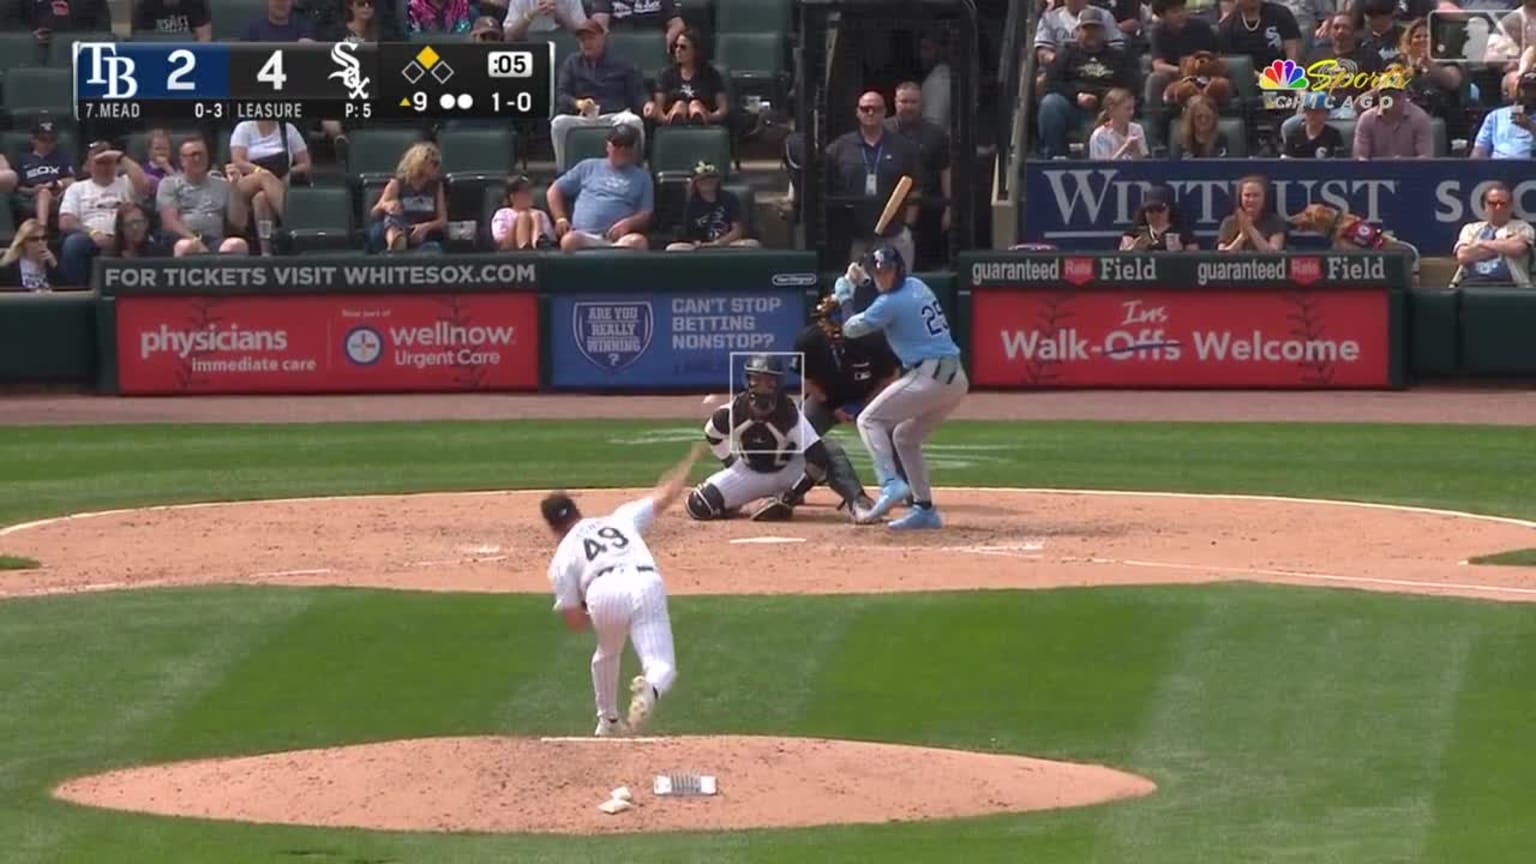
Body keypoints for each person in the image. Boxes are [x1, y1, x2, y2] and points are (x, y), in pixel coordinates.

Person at [542, 443, 705, 737]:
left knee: (606, 651)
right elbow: (665, 495)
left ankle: (608, 721)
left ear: (553, 528)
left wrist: (590, 606)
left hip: (601, 591)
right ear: (579, 513)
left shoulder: (563, 555)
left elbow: (575, 622)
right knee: (661, 665)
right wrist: (687, 464)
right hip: (644, 583)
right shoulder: (620, 518)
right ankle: (651, 688)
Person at [833, 244, 968, 531]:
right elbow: (886, 295)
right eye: (879, 272)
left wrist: (846, 293)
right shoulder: (916, 285)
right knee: (905, 438)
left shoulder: (890, 303)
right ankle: (924, 509)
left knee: (869, 420)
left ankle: (890, 483)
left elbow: (851, 328)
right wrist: (863, 281)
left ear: (899, 269)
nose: (884, 277)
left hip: (930, 376)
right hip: (954, 380)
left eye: (888, 271)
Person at [687, 354, 846, 522]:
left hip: (788, 471)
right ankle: (737, 504)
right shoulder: (731, 413)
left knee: (829, 452)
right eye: (757, 380)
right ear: (748, 381)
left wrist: (790, 497)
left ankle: (856, 500)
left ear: (777, 384)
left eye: (768, 381)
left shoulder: (790, 415)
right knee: (699, 505)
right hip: (750, 471)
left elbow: (818, 457)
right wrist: (730, 463)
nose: (762, 386)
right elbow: (712, 434)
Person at [788, 293, 904, 513]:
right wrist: (834, 408)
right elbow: (808, 382)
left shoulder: (874, 337)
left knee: (897, 430)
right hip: (828, 399)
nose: (835, 327)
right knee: (800, 428)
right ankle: (795, 487)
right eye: (830, 320)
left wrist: (866, 406)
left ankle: (905, 487)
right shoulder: (810, 340)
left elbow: (890, 377)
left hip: (869, 398)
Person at [825, 91, 921, 271]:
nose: (870, 113)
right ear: (857, 112)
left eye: (876, 109)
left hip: (896, 235)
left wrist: (908, 225)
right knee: (860, 288)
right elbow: (820, 173)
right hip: (858, 237)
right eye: (865, 109)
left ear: (885, 112)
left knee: (900, 288)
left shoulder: (902, 146)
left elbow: (915, 188)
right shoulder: (841, 146)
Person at [1038, 8, 1139, 159]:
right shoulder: (1066, 53)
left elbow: (1130, 85)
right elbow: (1052, 83)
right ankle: (1056, 156)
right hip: (1074, 108)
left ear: (1103, 32)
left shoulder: (1117, 57)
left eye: (1095, 29)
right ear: (1077, 31)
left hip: (1108, 111)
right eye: (1086, 29)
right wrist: (1077, 95)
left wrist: (1106, 100)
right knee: (1050, 103)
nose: (1091, 33)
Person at [550, 19, 647, 171]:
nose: (586, 43)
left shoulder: (621, 63)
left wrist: (647, 104)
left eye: (591, 38)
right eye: (582, 40)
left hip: (613, 115)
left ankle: (634, 170)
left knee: (634, 122)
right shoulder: (572, 63)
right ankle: (563, 172)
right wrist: (578, 103)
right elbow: (562, 95)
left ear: (603, 37)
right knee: (558, 123)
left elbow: (637, 93)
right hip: (584, 117)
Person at [547, 124, 653, 251]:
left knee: (638, 242)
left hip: (618, 239)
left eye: (628, 145)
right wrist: (560, 218)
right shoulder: (588, 166)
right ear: (608, 146)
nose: (623, 149)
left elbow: (645, 213)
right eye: (618, 144)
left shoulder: (642, 177)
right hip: (584, 236)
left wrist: (629, 223)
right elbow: (555, 190)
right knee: (569, 240)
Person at [58, 142, 150, 287]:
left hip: (126, 236)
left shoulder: (126, 183)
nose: (105, 166)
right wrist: (93, 233)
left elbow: (145, 186)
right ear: (87, 165)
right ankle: (79, 296)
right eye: (99, 161)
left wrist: (121, 157)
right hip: (91, 239)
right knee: (73, 244)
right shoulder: (78, 188)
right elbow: (66, 222)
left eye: (108, 161)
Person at [886, 81, 952, 270]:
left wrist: (948, 208)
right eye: (904, 101)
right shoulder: (883, 131)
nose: (908, 106)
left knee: (925, 264)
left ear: (921, 104)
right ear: (895, 102)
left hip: (928, 210)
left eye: (913, 102)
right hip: (890, 208)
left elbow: (945, 170)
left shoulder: (936, 134)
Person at [227, 119, 311, 256]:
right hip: (244, 183)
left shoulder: (288, 129)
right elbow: (238, 161)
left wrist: (290, 174)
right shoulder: (244, 128)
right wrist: (261, 172)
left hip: (278, 183)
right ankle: (294, 225)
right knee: (265, 177)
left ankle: (266, 252)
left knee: (261, 199)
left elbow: (306, 164)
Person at [157, 136, 248, 257]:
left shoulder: (222, 184)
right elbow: (170, 222)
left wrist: (234, 187)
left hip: (215, 240)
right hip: (183, 238)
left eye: (202, 154)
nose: (198, 158)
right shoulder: (169, 184)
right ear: (182, 160)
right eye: (193, 155)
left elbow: (239, 223)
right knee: (186, 246)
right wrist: (196, 242)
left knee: (237, 244)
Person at [368, 142, 447, 253]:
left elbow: (442, 221)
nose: (437, 167)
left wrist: (425, 227)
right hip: (399, 227)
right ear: (419, 163)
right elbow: (374, 213)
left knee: (432, 248)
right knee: (379, 231)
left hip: (421, 233)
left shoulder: (436, 186)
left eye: (438, 163)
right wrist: (386, 206)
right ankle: (394, 246)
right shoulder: (398, 183)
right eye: (434, 163)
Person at [1452, 181, 1534, 285]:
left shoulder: (1522, 227)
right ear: (1484, 206)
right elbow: (1463, 256)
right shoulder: (1470, 229)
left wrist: (1481, 244)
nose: (1498, 208)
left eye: (1503, 203)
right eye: (1492, 203)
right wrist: (1504, 245)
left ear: (1511, 206)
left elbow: (1517, 249)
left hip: (1510, 287)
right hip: (1471, 285)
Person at [665, 162, 759, 251]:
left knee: (751, 244)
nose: (707, 182)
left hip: (728, 244)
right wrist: (697, 243)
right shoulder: (689, 203)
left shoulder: (729, 198)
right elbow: (686, 232)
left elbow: (738, 230)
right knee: (673, 248)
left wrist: (718, 243)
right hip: (697, 247)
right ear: (695, 183)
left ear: (717, 180)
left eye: (711, 178)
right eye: (702, 179)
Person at [647, 28, 728, 126]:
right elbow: (659, 109)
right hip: (671, 118)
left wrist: (709, 116)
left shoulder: (711, 74)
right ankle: (677, 121)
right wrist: (666, 119)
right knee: (679, 106)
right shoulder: (666, 74)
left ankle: (698, 121)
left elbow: (723, 108)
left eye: (683, 47)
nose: (678, 50)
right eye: (676, 46)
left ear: (695, 50)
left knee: (695, 105)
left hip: (706, 118)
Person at [1149, 0, 1221, 107]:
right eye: (1175, 12)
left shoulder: (1201, 27)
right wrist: (1182, 70)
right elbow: (1158, 65)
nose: (1181, 14)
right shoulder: (1158, 31)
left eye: (1183, 9)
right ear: (1162, 15)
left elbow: (1215, 58)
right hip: (1175, 77)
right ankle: (1158, 120)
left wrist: (1197, 69)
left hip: (1201, 75)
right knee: (1155, 79)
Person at [15, 119, 74, 232]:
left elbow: (72, 180)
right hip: (34, 196)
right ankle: (42, 229)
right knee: (44, 193)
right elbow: (18, 188)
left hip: (59, 193)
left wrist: (56, 184)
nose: (47, 143)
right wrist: (34, 190)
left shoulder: (62, 157)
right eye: (43, 140)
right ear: (33, 140)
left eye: (51, 140)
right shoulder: (23, 159)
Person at [1352, 79, 1433, 158]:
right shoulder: (1367, 119)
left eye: (1395, 96)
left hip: (1411, 170)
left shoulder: (1419, 118)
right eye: (1385, 96)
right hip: (1375, 170)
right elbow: (1360, 158)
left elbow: (1424, 157)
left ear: (1404, 96)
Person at [1218, 0, 1303, 68]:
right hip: (1249, 80)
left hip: (1285, 74)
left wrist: (1289, 74)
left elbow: (1293, 49)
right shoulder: (1227, 27)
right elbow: (1236, 66)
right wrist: (1266, 78)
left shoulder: (1280, 13)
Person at [1471, 71, 1536, 158]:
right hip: (1498, 166)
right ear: (1517, 90)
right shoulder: (1495, 116)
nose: (1529, 94)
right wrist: (1474, 169)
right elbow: (1480, 148)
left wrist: (1530, 126)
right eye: (1525, 89)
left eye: (1533, 89)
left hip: (1530, 167)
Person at [1217, 174, 1288, 251]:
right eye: (1247, 195)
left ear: (1264, 198)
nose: (1251, 200)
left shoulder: (1276, 221)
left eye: (1256, 195)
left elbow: (1274, 254)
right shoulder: (1229, 222)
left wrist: (1251, 229)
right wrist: (1242, 237)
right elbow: (1222, 255)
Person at [1120, 185, 1197, 250]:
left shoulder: (1183, 234)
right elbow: (1121, 256)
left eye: (1160, 209)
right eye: (1150, 210)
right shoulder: (1134, 233)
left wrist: (1181, 251)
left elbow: (1196, 259)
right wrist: (1134, 248)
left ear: (1169, 209)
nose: (1155, 214)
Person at [7, 0, 110, 47]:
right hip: (34, 53)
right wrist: (29, 38)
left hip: (78, 54)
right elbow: (10, 23)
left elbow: (103, 32)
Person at [491, 175, 555, 250]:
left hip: (538, 252)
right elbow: (501, 241)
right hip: (510, 251)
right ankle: (524, 248)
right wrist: (520, 221)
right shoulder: (503, 213)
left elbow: (550, 238)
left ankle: (536, 246)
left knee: (536, 215)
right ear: (513, 197)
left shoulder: (541, 214)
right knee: (523, 216)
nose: (530, 194)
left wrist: (536, 221)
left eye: (530, 190)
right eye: (525, 191)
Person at [0, 219, 63, 292]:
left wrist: (55, 266)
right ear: (23, 243)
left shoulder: (52, 263)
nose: (40, 242)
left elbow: (68, 291)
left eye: (44, 238)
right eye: (34, 239)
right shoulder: (10, 269)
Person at [589, 0, 684, 48]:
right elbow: (598, 25)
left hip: (652, 50)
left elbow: (677, 24)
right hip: (618, 50)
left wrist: (664, 45)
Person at [1088, 87, 1147, 159]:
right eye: (1127, 109)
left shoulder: (1137, 129)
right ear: (1112, 109)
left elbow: (1142, 164)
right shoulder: (1100, 135)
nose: (1132, 112)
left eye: (1133, 108)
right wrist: (1124, 148)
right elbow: (1104, 168)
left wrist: (1136, 151)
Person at [1282, 91, 1346, 157]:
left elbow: (1338, 163)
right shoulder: (1293, 135)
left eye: (1317, 111)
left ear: (1326, 113)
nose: (1312, 115)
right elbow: (1285, 161)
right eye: (1309, 110)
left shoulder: (1334, 135)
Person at [502, 0, 588, 38]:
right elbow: (509, 35)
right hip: (530, 45)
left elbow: (584, 33)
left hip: (563, 45)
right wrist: (530, 15)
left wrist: (562, 17)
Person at [133, 0, 212, 40]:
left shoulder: (196, 3)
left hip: (189, 53)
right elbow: (142, 38)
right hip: (156, 53)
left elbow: (204, 37)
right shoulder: (145, 4)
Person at [243, 0, 315, 41]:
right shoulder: (254, 30)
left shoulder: (303, 29)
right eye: (278, 1)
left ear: (291, 3)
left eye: (285, 1)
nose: (281, 4)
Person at [141, 129, 176, 201]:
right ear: (149, 151)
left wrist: (167, 167)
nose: (162, 152)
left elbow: (180, 184)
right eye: (157, 149)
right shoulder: (143, 169)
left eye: (165, 149)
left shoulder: (175, 167)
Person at [407, 0, 473, 34]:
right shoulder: (415, 4)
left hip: (454, 49)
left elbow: (462, 35)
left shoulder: (461, 3)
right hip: (423, 50)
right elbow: (415, 37)